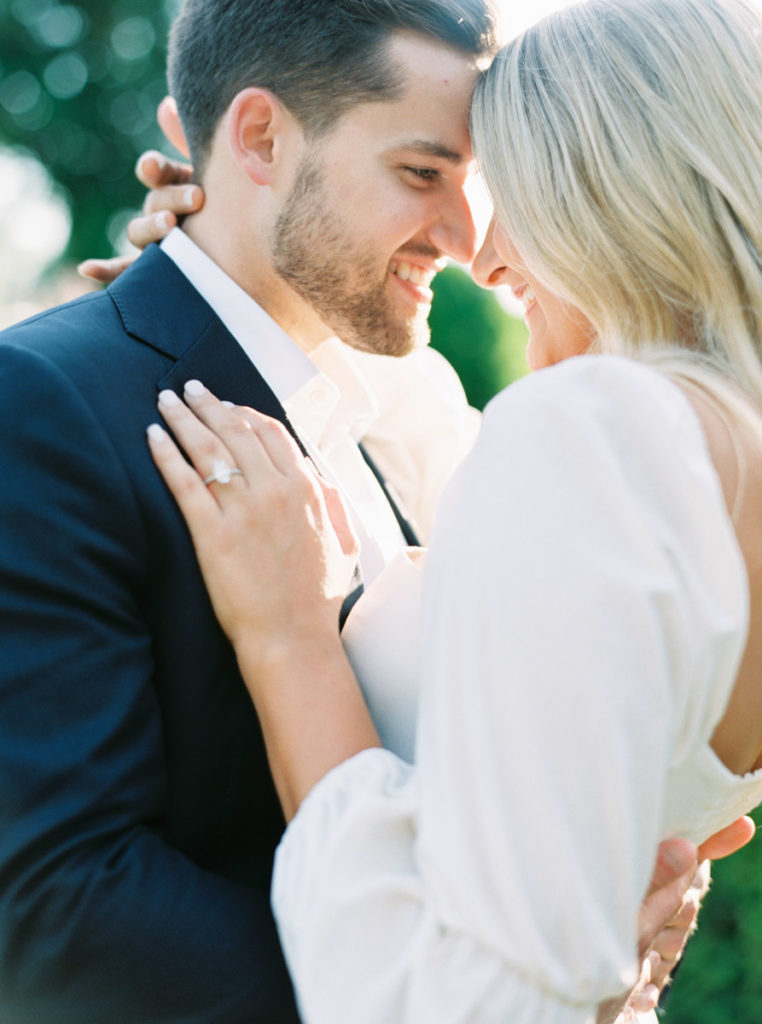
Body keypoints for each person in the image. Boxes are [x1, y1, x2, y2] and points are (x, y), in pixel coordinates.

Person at [143, 0, 762, 1020]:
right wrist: (225, 262)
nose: (485, 254)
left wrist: (292, 643)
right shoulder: (702, 459)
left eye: (505, 191)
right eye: (432, 178)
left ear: (607, 192)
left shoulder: (591, 435)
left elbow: (439, 999)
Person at [0, 1, 502, 1020]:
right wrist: (444, 986)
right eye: (422, 172)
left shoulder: (390, 414)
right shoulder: (43, 402)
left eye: (474, 177)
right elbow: (58, 903)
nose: (466, 231)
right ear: (263, 138)